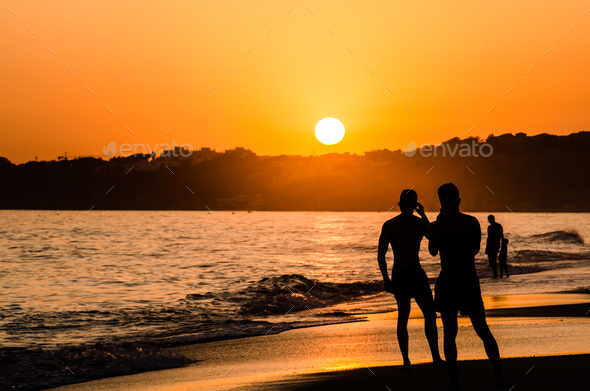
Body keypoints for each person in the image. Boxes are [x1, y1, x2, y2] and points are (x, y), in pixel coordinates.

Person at [427, 183, 509, 389]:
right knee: (482, 329)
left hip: (448, 279)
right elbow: (473, 249)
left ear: (440, 202)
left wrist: (437, 223)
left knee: (449, 332)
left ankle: (453, 380)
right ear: (459, 200)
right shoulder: (471, 222)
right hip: (467, 278)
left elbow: (432, 251)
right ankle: (499, 375)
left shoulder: (437, 225)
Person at [377, 189, 444, 369]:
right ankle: (406, 360)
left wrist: (423, 216)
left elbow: (434, 240)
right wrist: (386, 279)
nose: (405, 207)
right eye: (403, 204)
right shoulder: (390, 225)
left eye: (410, 205)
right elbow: (381, 255)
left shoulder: (419, 224)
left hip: (416, 271)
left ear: (415, 205)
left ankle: (436, 357)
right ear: (399, 205)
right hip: (400, 273)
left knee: (430, 315)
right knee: (403, 316)